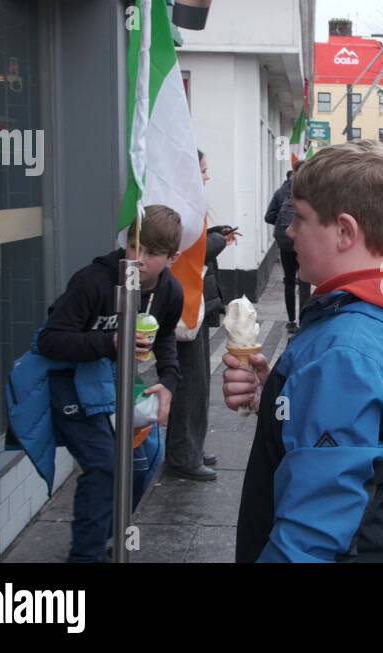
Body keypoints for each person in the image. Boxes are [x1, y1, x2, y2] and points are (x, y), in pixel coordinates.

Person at [223, 141, 383, 562]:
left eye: (301, 218)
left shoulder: (344, 352)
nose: (289, 231)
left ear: (345, 231)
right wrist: (285, 399)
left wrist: (318, 384)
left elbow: (314, 530)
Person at [33, 206, 184, 562]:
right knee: (105, 464)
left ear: (172, 258)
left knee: (146, 461)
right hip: (71, 385)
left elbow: (164, 343)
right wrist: (112, 343)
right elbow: (50, 340)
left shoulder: (170, 292)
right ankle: (86, 555)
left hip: (120, 387)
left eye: (151, 253)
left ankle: (107, 532)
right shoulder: (93, 281)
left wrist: (167, 384)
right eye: (134, 247)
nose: (139, 259)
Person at [164, 150, 239, 481]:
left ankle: (191, 446)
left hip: (193, 303)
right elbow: (188, 252)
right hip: (184, 306)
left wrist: (216, 233)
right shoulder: (177, 205)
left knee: (197, 382)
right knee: (190, 383)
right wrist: (221, 240)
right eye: (203, 171)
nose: (207, 177)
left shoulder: (183, 202)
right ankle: (184, 454)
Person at [266, 163, 310, 333]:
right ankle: (303, 320)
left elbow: (268, 216)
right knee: (304, 281)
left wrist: (282, 225)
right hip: (304, 243)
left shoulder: (280, 193)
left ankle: (291, 321)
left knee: (289, 281)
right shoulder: (310, 193)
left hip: (285, 244)